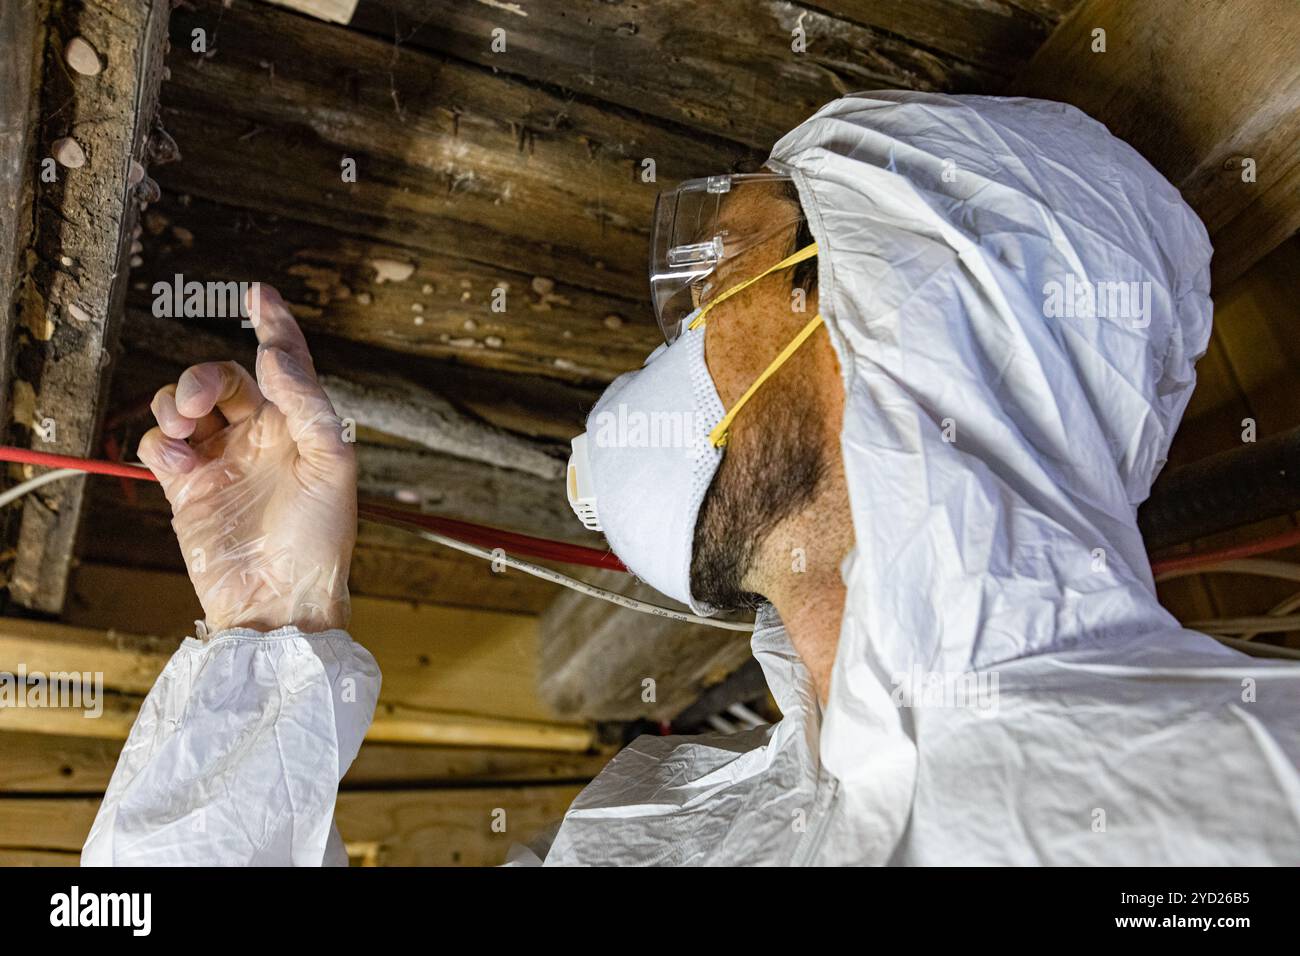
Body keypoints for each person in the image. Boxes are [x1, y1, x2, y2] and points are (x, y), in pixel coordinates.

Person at [83, 92, 1300, 866]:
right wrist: (266, 628)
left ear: (885, 309)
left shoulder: (1262, 780)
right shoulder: (674, 826)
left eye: (719, 276)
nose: (677, 330)